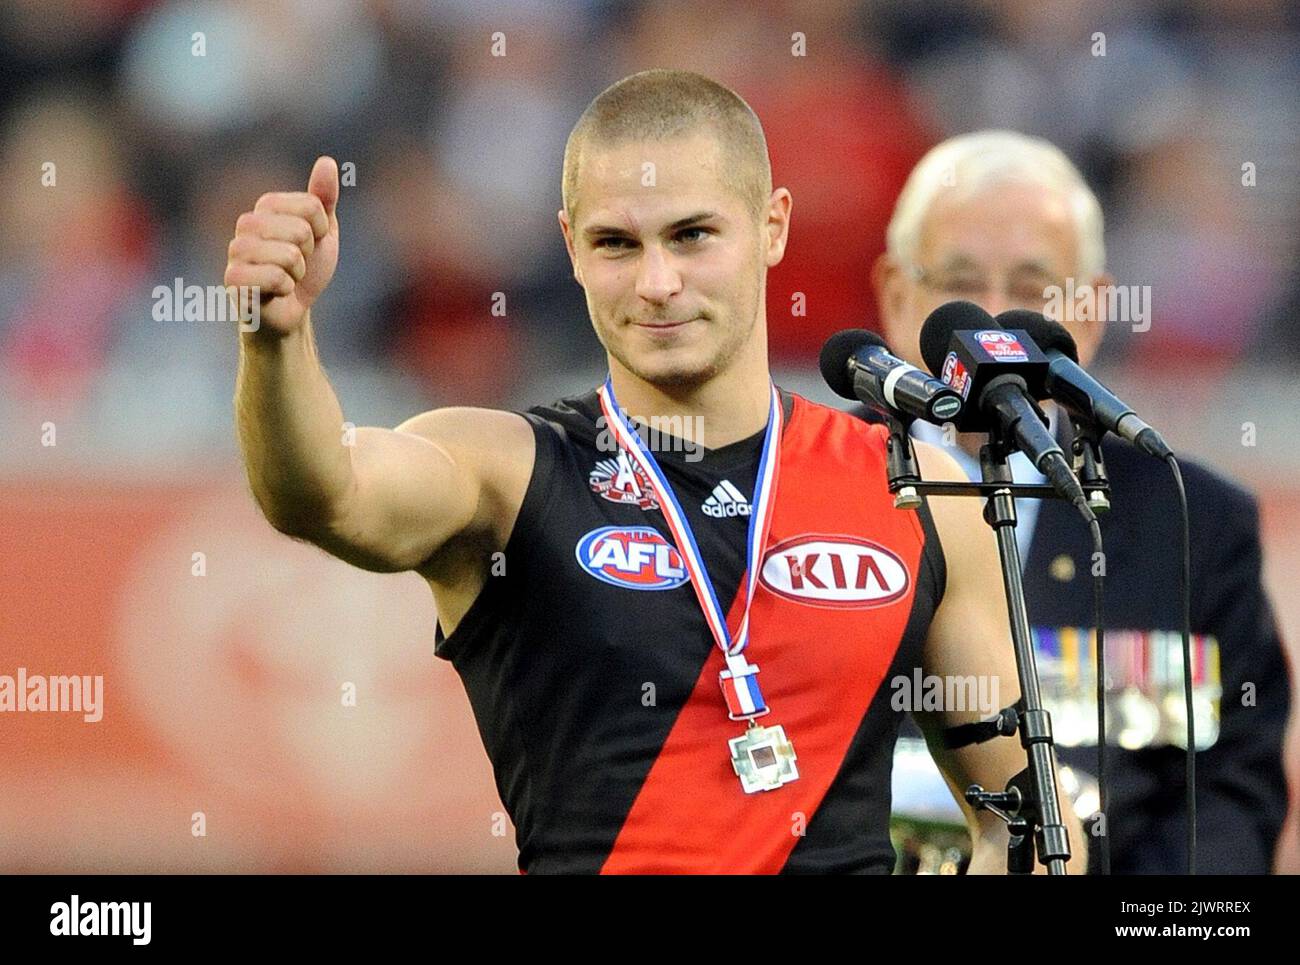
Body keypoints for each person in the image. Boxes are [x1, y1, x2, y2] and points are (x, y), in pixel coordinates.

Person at [225, 70, 1084, 874]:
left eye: (692, 234)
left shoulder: (918, 494)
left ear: (773, 225)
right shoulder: (507, 471)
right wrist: (279, 340)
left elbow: (1026, 822)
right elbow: (323, 492)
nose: (658, 281)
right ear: (569, 246)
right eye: (616, 243)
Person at [869, 130, 1290, 873]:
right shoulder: (805, 488)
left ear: (1090, 312)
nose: (993, 323)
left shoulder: (1192, 520)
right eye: (961, 283)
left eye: (1031, 291)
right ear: (899, 299)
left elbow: (1225, 796)